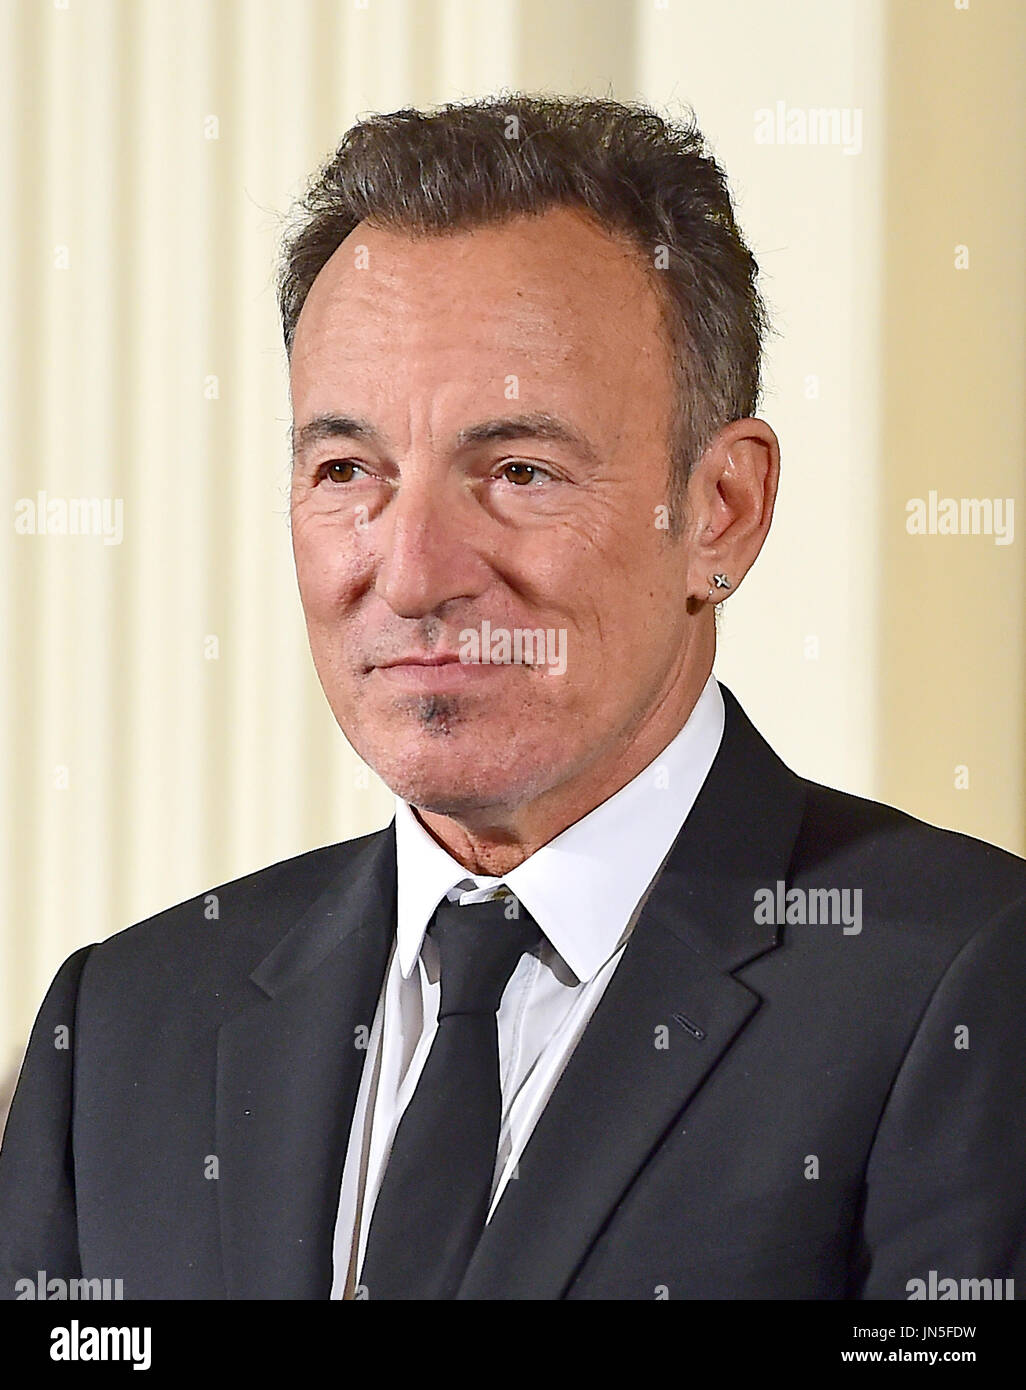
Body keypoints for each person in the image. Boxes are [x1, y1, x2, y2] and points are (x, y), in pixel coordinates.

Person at [2, 93, 1024, 1302]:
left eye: (519, 470)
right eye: (347, 470)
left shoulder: (966, 983)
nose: (415, 569)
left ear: (722, 511)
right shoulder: (123, 1027)